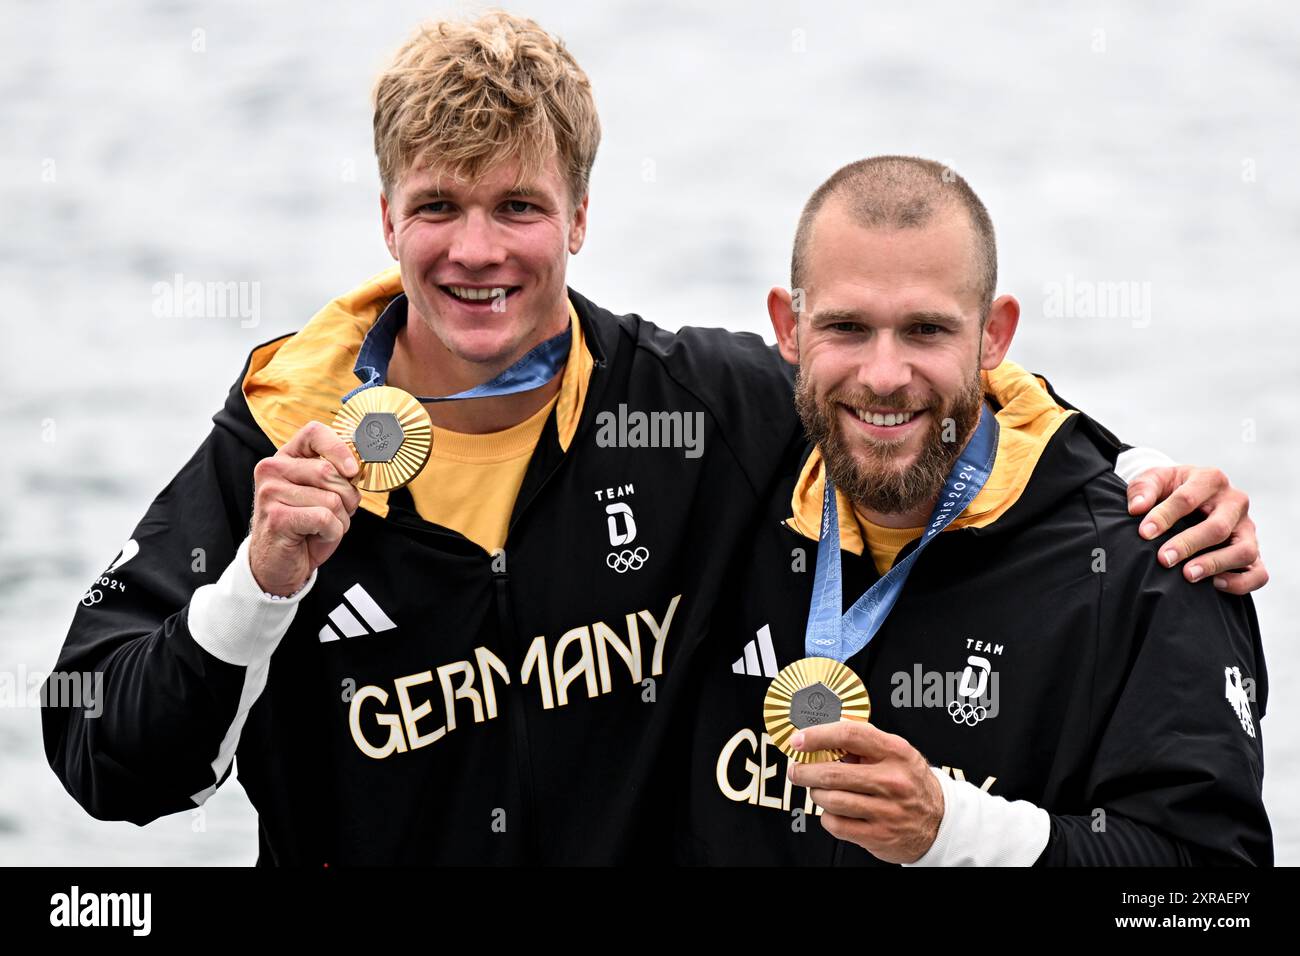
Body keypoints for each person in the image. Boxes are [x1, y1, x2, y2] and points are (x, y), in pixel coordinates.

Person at [42, 14, 1264, 865]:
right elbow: (107, 761)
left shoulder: (690, 407)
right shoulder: (282, 436)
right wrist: (255, 589)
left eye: (518, 204)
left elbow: (895, 394)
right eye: (439, 208)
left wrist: (1143, 469)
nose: (479, 250)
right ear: (385, 218)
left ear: (580, 213)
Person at [681, 156, 1270, 866]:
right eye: (847, 327)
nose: (884, 376)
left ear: (994, 334)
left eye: (927, 330)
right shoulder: (716, 477)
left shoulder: (1156, 564)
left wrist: (955, 834)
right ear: (789, 325)